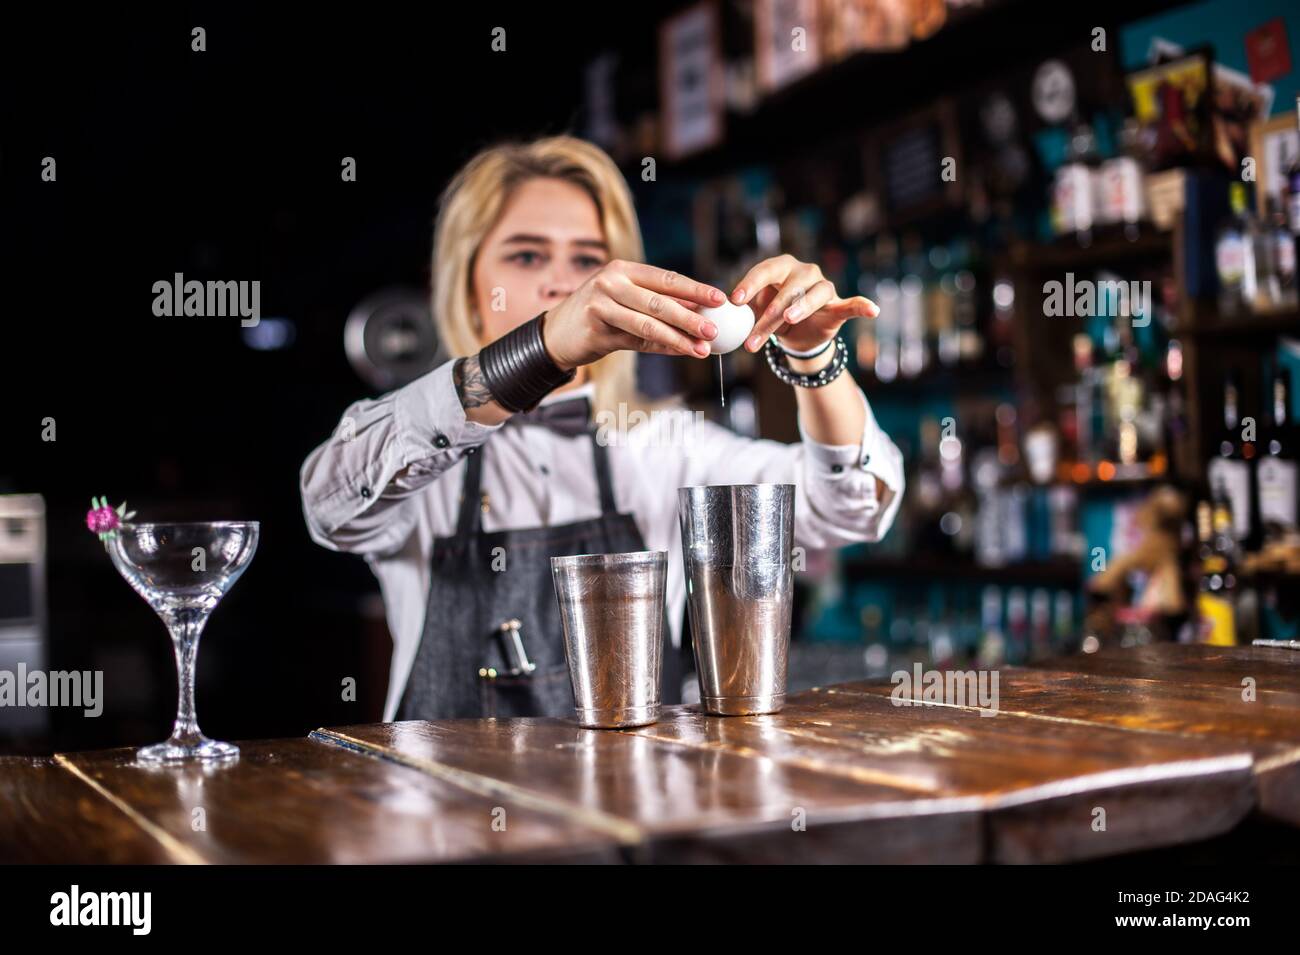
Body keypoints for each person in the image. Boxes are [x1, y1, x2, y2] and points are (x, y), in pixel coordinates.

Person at [299, 135, 904, 721]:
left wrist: (814, 357)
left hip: (633, 811)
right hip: (448, 817)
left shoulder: (663, 445)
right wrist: (537, 350)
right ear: (470, 288)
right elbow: (329, 501)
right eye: (527, 256)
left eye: (587, 260)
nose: (565, 284)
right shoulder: (418, 450)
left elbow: (848, 508)